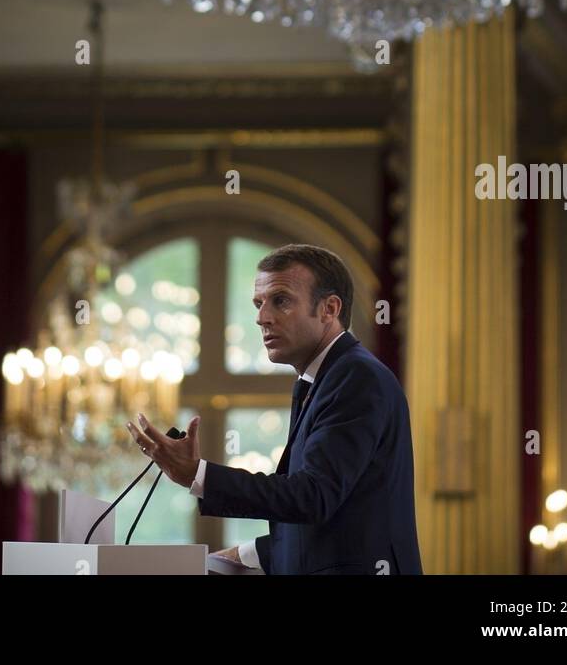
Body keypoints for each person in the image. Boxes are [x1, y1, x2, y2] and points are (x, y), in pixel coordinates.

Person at [126, 242, 423, 575]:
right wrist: (248, 553)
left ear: (329, 308)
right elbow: (333, 519)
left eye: (280, 301)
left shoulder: (356, 376)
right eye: (258, 303)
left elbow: (313, 496)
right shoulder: (324, 378)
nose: (261, 318)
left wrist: (199, 474)